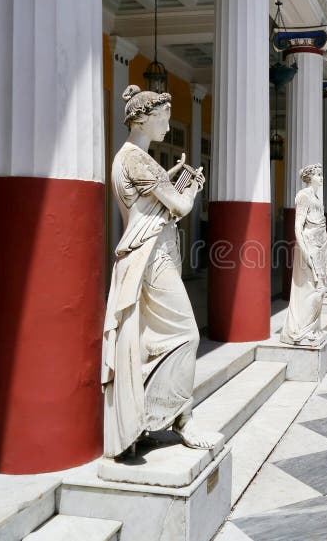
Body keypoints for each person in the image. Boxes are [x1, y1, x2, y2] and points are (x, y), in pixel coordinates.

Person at [102, 84, 213, 459]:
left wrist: (169, 177)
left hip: (148, 254)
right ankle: (182, 419)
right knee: (186, 335)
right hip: (153, 257)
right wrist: (193, 187)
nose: (167, 126)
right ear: (144, 119)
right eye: (164, 119)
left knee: (149, 340)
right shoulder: (138, 160)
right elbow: (178, 207)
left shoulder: (128, 158)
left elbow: (148, 199)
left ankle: (144, 417)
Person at [281, 164, 327, 345]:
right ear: (309, 177)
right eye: (318, 174)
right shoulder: (303, 196)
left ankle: (312, 327)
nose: (321, 177)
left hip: (321, 245)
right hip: (310, 245)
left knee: (321, 287)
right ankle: (303, 329)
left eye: (320, 174)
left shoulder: (316, 197)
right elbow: (297, 226)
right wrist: (304, 250)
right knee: (314, 288)